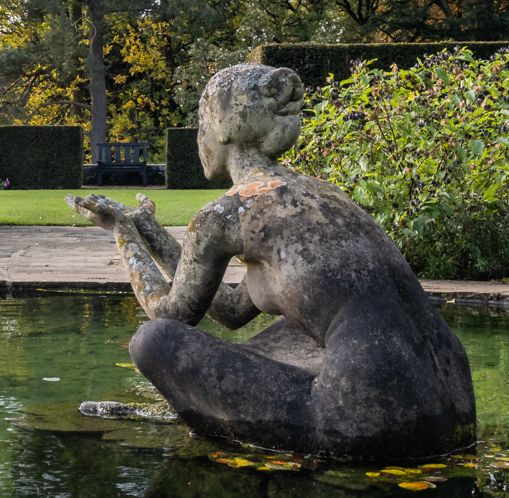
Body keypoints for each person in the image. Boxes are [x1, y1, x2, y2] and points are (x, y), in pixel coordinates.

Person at [69, 64, 475, 459]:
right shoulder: (322, 194)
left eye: (201, 124)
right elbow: (229, 310)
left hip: (366, 418)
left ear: (224, 129)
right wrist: (151, 232)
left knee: (151, 340)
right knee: (296, 321)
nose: (199, 138)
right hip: (452, 401)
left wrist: (122, 232)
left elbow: (170, 313)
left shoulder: (227, 213)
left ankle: (222, 419)